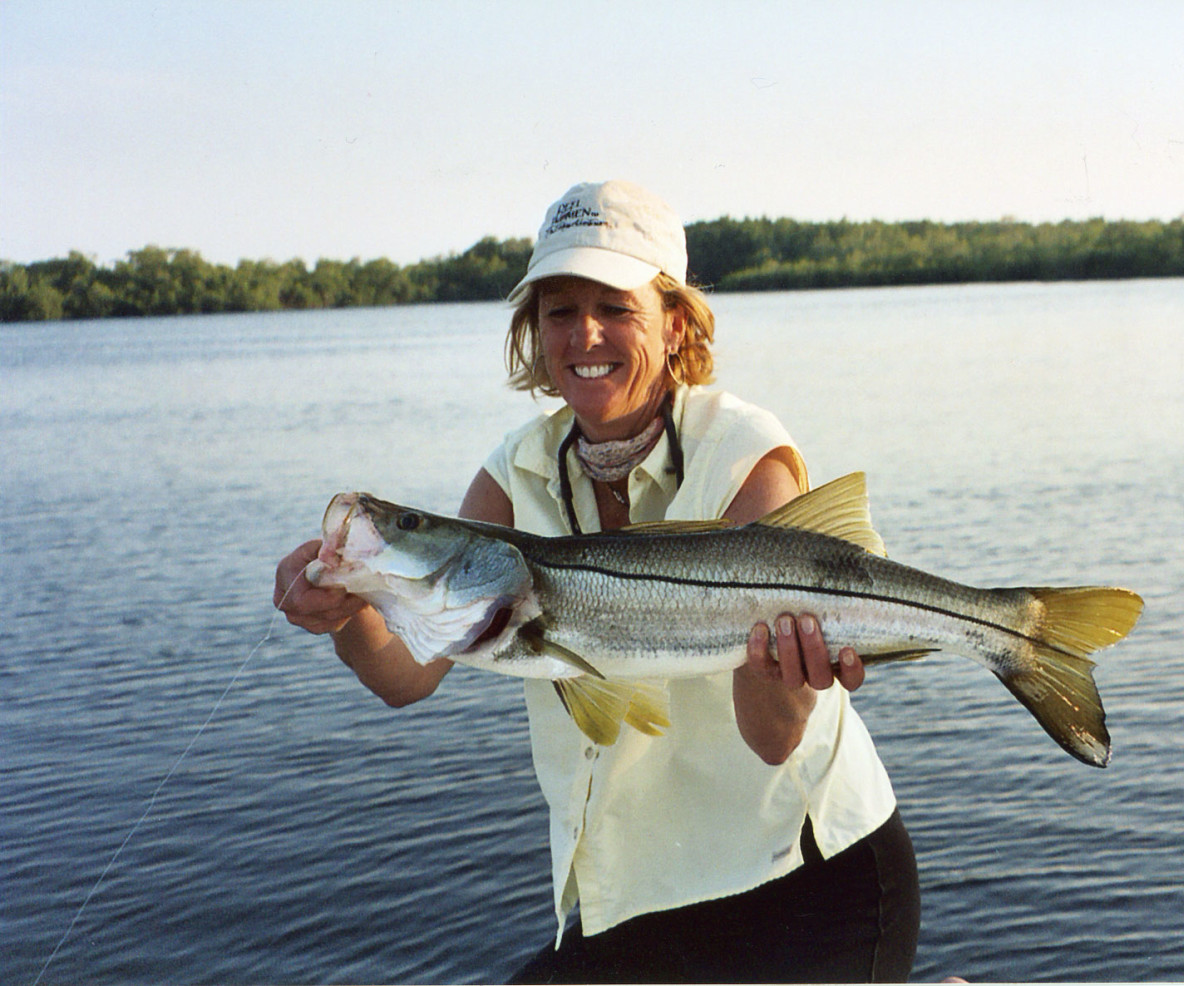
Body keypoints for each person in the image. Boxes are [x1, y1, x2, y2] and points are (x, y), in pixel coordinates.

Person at [274, 180, 920, 983]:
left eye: (616, 306)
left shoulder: (747, 455)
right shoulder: (515, 470)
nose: (585, 334)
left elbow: (774, 738)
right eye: (557, 309)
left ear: (674, 320)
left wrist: (786, 670)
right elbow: (406, 677)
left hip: (810, 880)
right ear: (533, 331)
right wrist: (351, 610)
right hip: (637, 893)